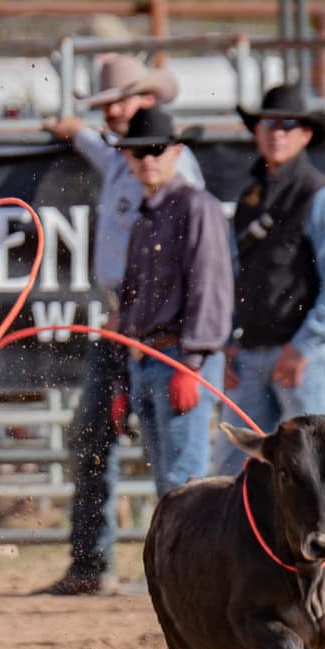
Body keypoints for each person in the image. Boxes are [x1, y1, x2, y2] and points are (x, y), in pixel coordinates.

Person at [39, 54, 204, 596]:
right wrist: (72, 128)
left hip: (160, 333)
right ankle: (93, 563)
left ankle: (181, 573)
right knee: (92, 436)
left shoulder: (175, 177)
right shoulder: (122, 158)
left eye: (121, 102)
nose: (112, 113)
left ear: (147, 102)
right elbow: (94, 143)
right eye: (106, 106)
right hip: (123, 326)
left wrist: (190, 349)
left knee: (173, 460)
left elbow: (195, 264)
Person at [214, 84, 325, 474]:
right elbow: (233, 277)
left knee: (315, 467)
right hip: (252, 352)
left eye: (287, 125)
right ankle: (238, 537)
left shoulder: (320, 197)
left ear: (305, 134)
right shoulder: (251, 198)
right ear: (257, 132)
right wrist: (229, 340)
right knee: (237, 465)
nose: (277, 133)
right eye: (268, 125)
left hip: (302, 356)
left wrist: (304, 345)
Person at [108, 108, 232, 493]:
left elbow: (210, 287)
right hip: (149, 359)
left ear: (176, 152)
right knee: (171, 483)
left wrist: (192, 363)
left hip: (177, 357)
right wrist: (122, 378)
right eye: (139, 151)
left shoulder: (197, 206)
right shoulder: (147, 215)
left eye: (157, 149)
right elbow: (130, 299)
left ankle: (195, 555)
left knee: (184, 484)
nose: (148, 159)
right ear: (128, 157)